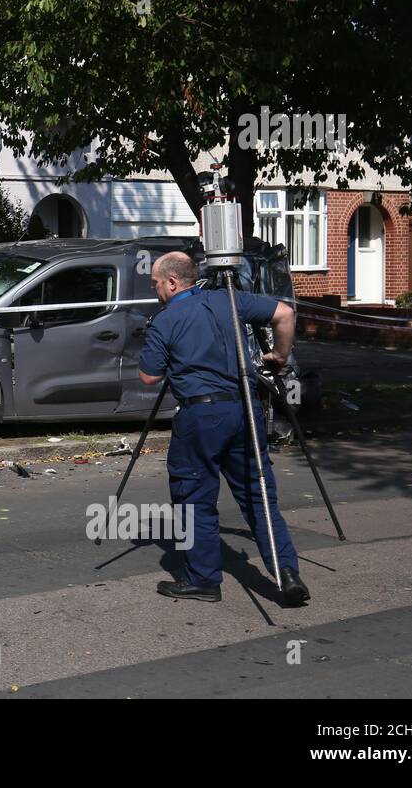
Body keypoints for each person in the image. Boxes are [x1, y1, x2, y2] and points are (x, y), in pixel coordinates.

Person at [137, 251, 310, 607]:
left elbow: (149, 376)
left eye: (156, 284)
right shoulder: (229, 300)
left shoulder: (166, 320)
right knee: (257, 496)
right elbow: (285, 313)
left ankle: (203, 579)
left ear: (172, 282)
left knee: (194, 499)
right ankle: (287, 573)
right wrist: (279, 355)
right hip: (243, 408)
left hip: (200, 416)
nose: (155, 291)